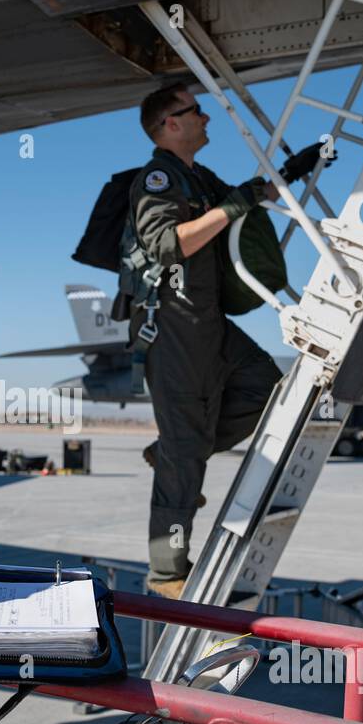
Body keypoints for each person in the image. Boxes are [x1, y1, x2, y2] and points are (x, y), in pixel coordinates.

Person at [128, 83, 317, 599]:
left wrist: (293, 171)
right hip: (173, 324)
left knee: (266, 389)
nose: (206, 119)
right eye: (196, 112)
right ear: (170, 123)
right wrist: (233, 207)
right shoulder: (159, 177)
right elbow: (168, 244)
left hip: (207, 321)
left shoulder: (199, 178)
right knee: (185, 453)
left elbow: (244, 200)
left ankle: (175, 447)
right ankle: (167, 571)